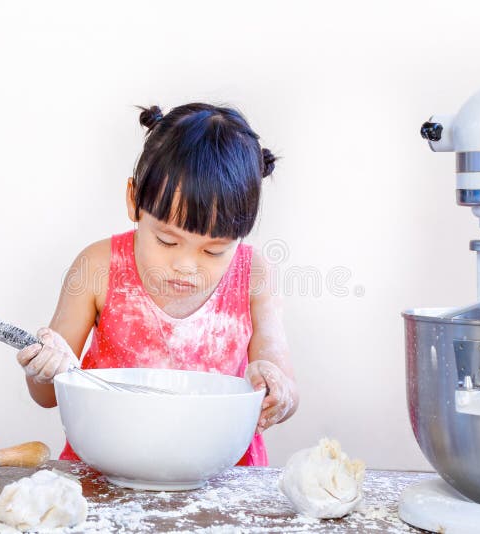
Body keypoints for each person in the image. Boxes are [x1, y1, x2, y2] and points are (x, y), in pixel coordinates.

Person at [16, 103, 299, 465]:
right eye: (167, 241)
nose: (185, 266)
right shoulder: (99, 266)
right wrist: (45, 365)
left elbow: (286, 388)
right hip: (105, 468)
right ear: (135, 201)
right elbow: (47, 394)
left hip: (221, 476)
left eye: (214, 251)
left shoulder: (254, 274)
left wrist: (276, 388)